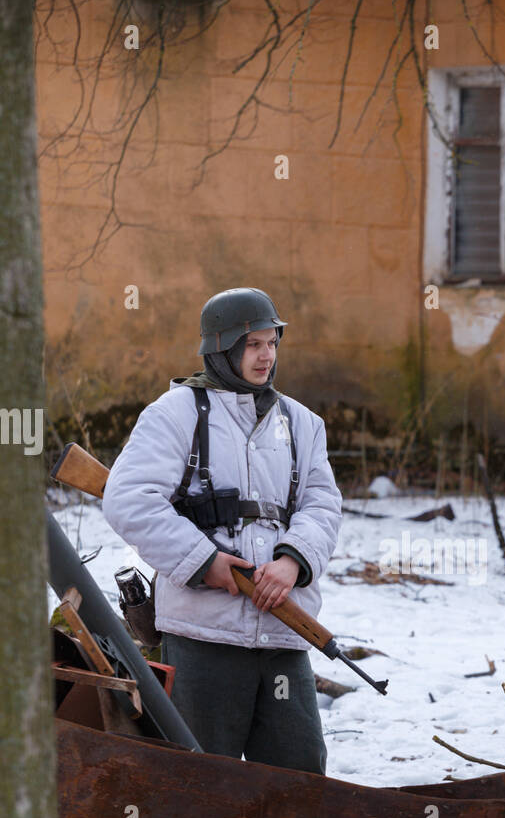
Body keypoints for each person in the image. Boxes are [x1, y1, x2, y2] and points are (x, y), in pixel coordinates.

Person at [103, 286, 342, 772]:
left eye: (272, 342)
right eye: (253, 344)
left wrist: (293, 562)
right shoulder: (174, 414)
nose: (266, 355)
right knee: (199, 780)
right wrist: (204, 563)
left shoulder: (302, 424)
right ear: (222, 348)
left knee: (299, 776)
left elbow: (322, 504)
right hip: (201, 635)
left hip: (283, 631)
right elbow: (128, 498)